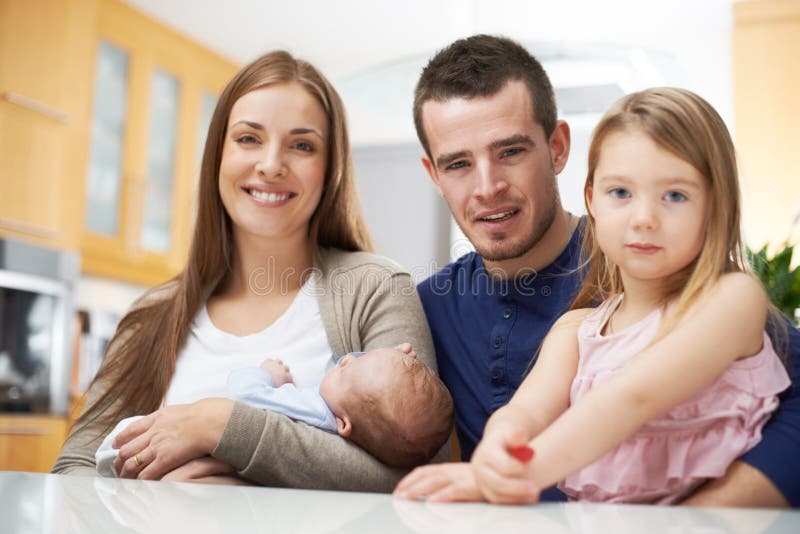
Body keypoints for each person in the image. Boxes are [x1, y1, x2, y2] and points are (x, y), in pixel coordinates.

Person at [397, 34, 800, 506]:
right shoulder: (436, 308)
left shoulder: (706, 288)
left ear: (558, 148)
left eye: (510, 151)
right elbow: (517, 415)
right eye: (459, 163)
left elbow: (634, 397)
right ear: (434, 174)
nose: (488, 186)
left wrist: (704, 519)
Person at [53, 50, 438, 492]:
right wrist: (150, 498)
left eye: (302, 145)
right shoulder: (153, 314)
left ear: (330, 169)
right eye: (248, 139)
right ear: (218, 153)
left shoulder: (373, 290)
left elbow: (420, 476)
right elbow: (70, 473)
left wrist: (220, 426)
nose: (271, 164)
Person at [95, 345, 453, 475]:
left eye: (348, 369)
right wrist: (379, 360)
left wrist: (266, 374)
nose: (344, 360)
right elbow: (366, 388)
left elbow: (244, 395)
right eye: (354, 359)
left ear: (344, 425)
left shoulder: (311, 410)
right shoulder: (350, 421)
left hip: (138, 440)